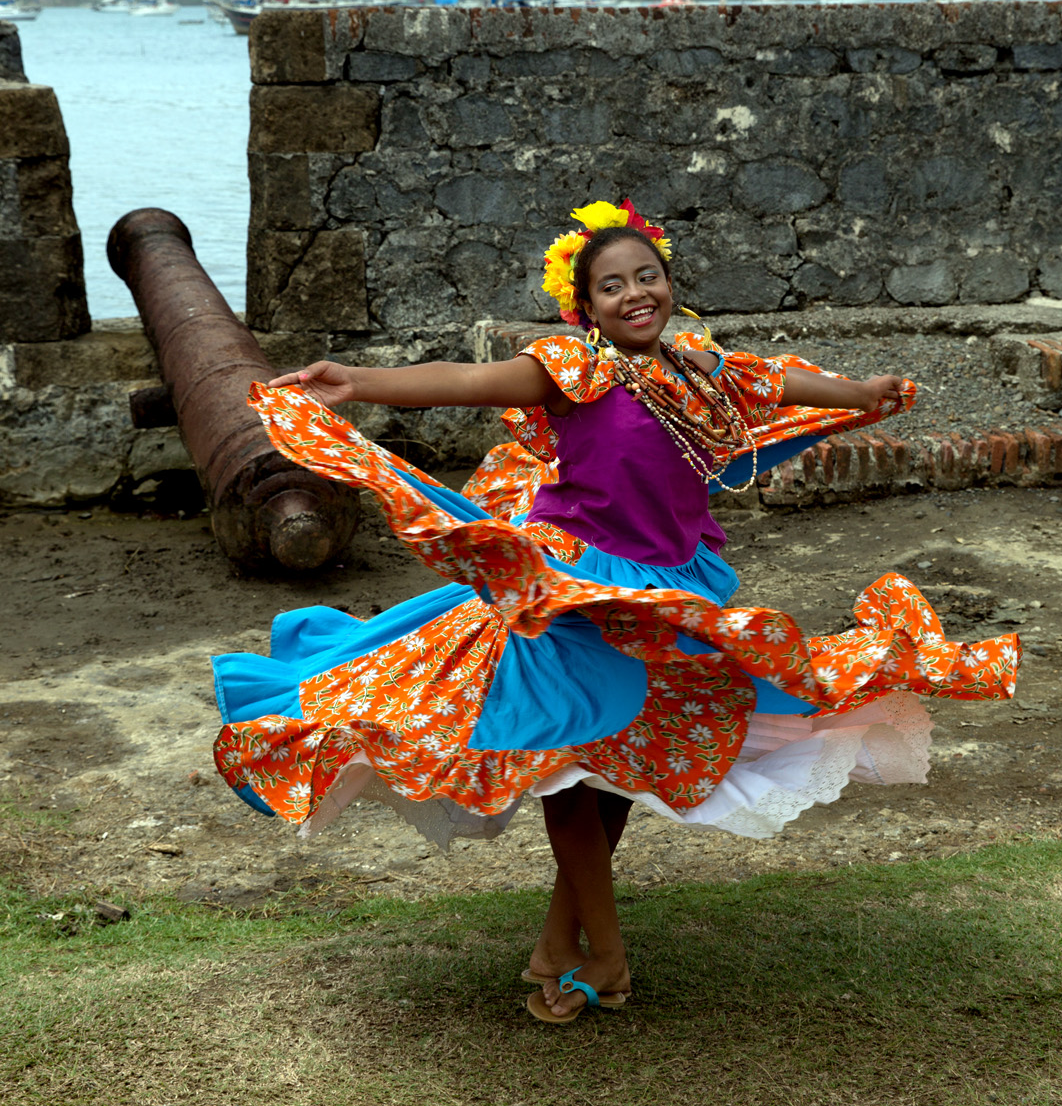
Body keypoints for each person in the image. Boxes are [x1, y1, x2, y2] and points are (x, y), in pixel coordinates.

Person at [212, 199, 1019, 1023]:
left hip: (670, 588)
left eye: (648, 277)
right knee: (571, 759)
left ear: (670, 285)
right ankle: (608, 955)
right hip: (572, 590)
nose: (635, 294)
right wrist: (361, 383)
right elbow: (467, 382)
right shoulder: (575, 369)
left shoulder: (704, 370)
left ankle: (564, 943)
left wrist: (862, 391)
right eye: (611, 286)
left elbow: (780, 382)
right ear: (585, 307)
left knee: (623, 759)